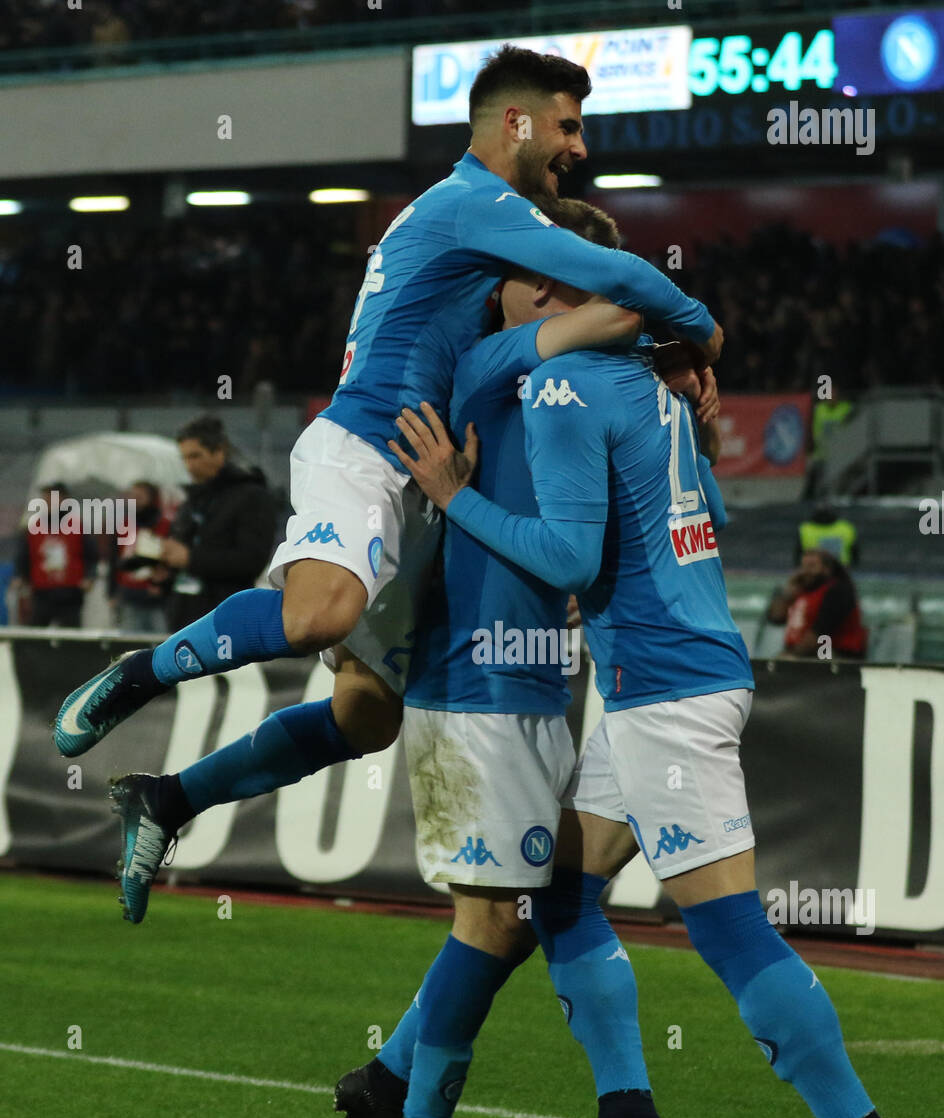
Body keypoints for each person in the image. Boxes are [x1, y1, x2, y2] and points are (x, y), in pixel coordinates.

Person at [52, 44, 722, 925]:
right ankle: (139, 674)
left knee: (365, 715)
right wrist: (701, 337)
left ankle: (169, 800)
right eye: (568, 124)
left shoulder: (481, 243)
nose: (580, 146)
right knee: (319, 615)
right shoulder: (472, 204)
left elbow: (575, 324)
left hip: (421, 487)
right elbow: (620, 285)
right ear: (514, 122)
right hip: (369, 444)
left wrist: (653, 365)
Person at [391, 281, 915, 1118]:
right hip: (666, 684)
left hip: (667, 698)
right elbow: (701, 506)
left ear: (568, 296)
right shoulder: (653, 392)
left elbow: (565, 560)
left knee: (728, 930)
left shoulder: (566, 387)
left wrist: (453, 497)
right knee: (559, 893)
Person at [336, 201, 711, 1118]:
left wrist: (671, 353)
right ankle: (425, 1116)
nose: (549, 294)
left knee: (533, 905)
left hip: (588, 675)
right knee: (507, 910)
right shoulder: (485, 365)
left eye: (565, 279)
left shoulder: (561, 375)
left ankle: (403, 1090)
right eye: (535, 274)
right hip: (486, 676)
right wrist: (676, 335)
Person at [162, 416, 278, 628]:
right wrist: (164, 570)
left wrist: (190, 559)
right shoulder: (193, 498)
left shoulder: (252, 496)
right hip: (184, 615)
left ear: (219, 451)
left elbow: (251, 560)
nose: (189, 465)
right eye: (185, 458)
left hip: (226, 617)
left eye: (196, 456)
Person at [14, 483, 98, 628]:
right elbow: (24, 556)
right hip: (41, 591)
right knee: (36, 632)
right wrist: (21, 576)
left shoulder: (78, 526)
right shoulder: (33, 527)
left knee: (70, 634)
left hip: (70, 592)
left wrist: (89, 577)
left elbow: (91, 555)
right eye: (45, 499)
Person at [767, 549, 868, 659]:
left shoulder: (837, 591)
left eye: (812, 566)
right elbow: (775, 618)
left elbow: (819, 633)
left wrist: (792, 656)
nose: (805, 571)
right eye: (803, 566)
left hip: (833, 654)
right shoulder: (801, 590)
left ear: (826, 569)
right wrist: (786, 595)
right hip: (803, 653)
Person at [109, 480, 171, 635]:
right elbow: (114, 559)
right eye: (132, 495)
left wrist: (162, 583)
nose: (135, 499)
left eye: (140, 496)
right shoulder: (123, 525)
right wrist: (111, 591)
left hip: (156, 596)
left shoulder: (165, 525)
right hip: (129, 593)